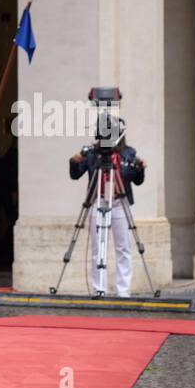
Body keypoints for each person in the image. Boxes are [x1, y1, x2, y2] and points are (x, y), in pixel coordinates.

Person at [70, 126, 146, 297]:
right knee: (98, 248)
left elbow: (137, 179)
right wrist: (75, 161)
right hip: (98, 201)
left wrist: (140, 168)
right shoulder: (92, 153)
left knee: (123, 248)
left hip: (120, 203)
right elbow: (75, 174)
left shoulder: (128, 153)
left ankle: (124, 291)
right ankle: (100, 289)